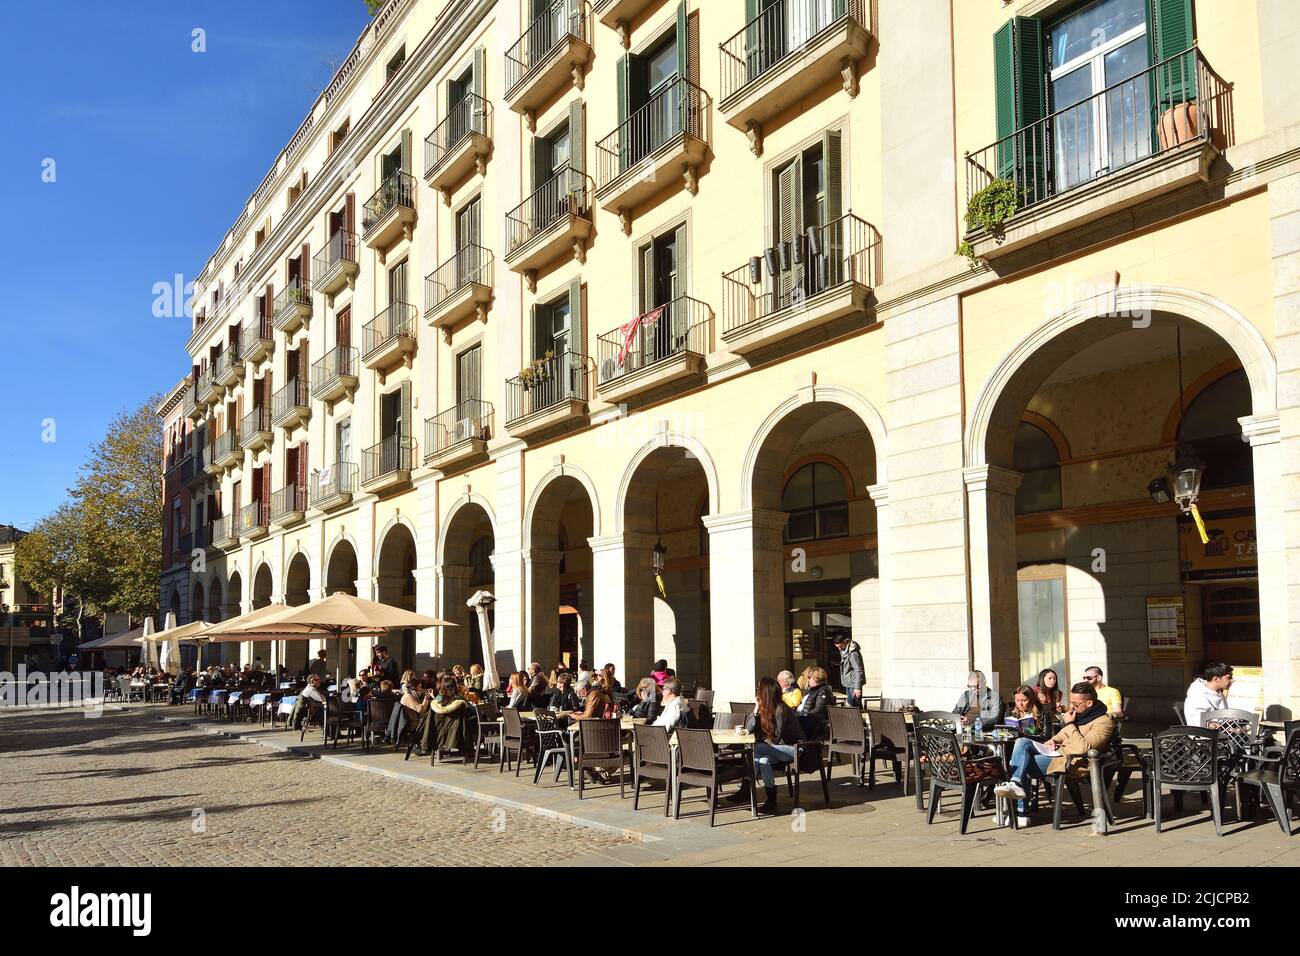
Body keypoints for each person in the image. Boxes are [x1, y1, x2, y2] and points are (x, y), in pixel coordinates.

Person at [995, 682, 1115, 827]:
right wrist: (1052, 741)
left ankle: (1019, 812)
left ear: (1089, 702)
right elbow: (1060, 735)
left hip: (1073, 762)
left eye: (1076, 703)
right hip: (1057, 755)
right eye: (1071, 702)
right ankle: (1016, 786)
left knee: (1022, 763)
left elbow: (1083, 747)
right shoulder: (1080, 715)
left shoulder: (1103, 722)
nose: (1072, 706)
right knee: (1022, 742)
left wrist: (1070, 724)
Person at [728, 676, 804, 814]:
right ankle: (771, 798)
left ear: (765, 693)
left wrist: (762, 743)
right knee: (762, 760)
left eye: (759, 689)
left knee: (756, 748)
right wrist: (756, 708)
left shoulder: (781, 710)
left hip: (794, 749)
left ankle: (746, 788)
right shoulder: (766, 708)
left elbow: (777, 738)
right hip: (777, 749)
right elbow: (749, 728)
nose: (757, 692)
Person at [1184, 662, 1234, 727]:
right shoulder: (1198, 695)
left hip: (1220, 731)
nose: (1232, 680)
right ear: (1216, 679)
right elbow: (1197, 722)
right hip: (1204, 735)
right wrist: (1215, 725)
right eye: (1229, 678)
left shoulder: (1218, 692)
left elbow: (1223, 716)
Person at [795, 666, 834, 737]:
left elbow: (819, 710)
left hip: (812, 721)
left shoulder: (823, 691)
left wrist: (803, 715)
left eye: (810, 678)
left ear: (816, 679)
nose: (808, 680)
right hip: (803, 718)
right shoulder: (810, 690)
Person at [832, 633, 865, 707]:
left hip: (854, 684)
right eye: (837, 647)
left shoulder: (853, 653)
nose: (839, 648)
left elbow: (858, 670)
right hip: (849, 683)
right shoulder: (844, 650)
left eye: (840, 646)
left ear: (845, 641)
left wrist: (857, 687)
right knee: (851, 705)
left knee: (855, 707)